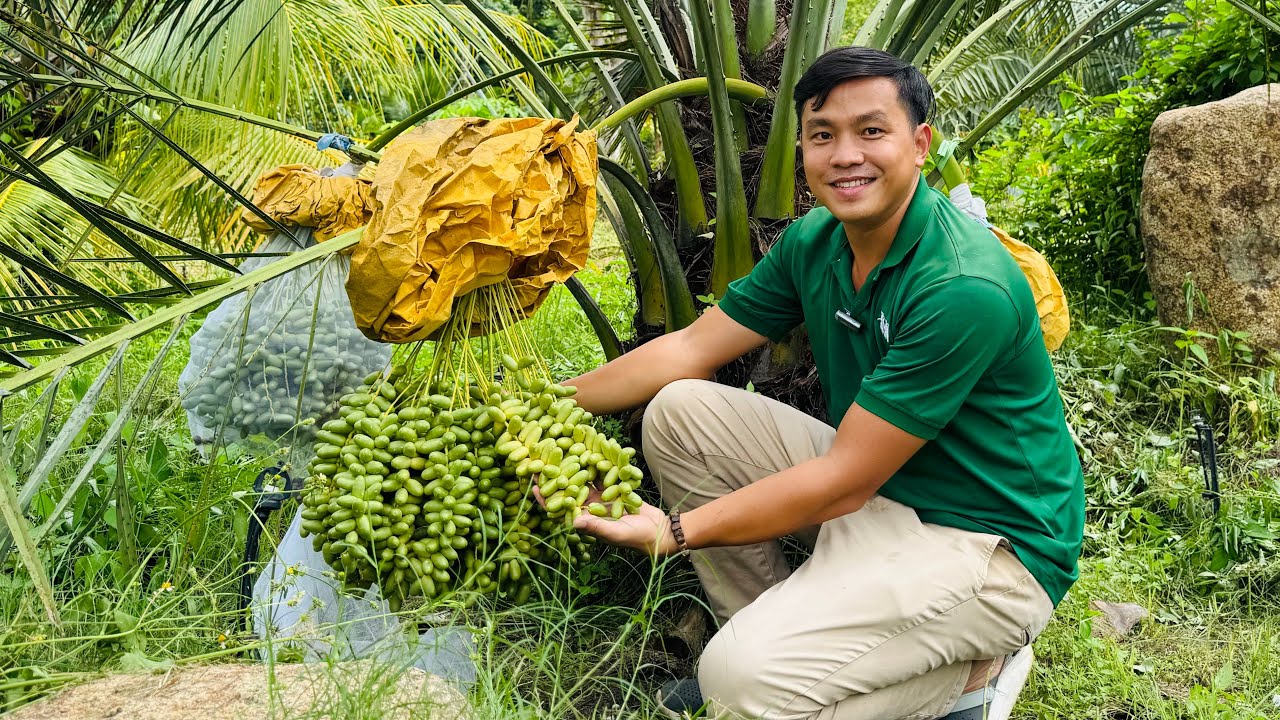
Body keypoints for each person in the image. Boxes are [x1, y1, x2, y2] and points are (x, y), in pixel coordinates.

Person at [559, 46, 1085, 720]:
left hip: (988, 547)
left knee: (733, 687)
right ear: (802, 147)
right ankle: (778, 644)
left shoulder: (963, 287)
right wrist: (549, 401)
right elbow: (691, 347)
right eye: (822, 135)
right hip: (885, 496)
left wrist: (676, 531)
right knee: (680, 414)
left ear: (919, 144)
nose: (844, 155)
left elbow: (844, 480)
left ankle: (972, 678)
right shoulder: (819, 240)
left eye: (871, 131)